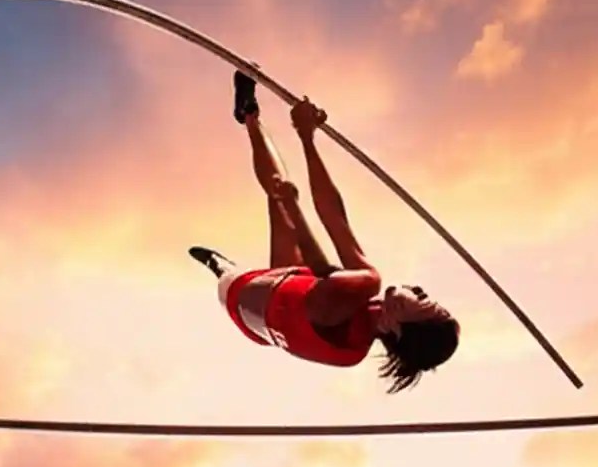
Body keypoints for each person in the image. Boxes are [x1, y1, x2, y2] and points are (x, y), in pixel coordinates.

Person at [189, 70, 459, 393]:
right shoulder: (362, 307)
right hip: (281, 291)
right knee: (281, 202)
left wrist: (298, 177)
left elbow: (325, 266)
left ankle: (221, 265)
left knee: (278, 203)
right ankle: (248, 113)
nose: (420, 292)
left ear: (398, 326)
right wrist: (307, 139)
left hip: (246, 294)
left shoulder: (361, 299)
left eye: (424, 302)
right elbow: (334, 218)